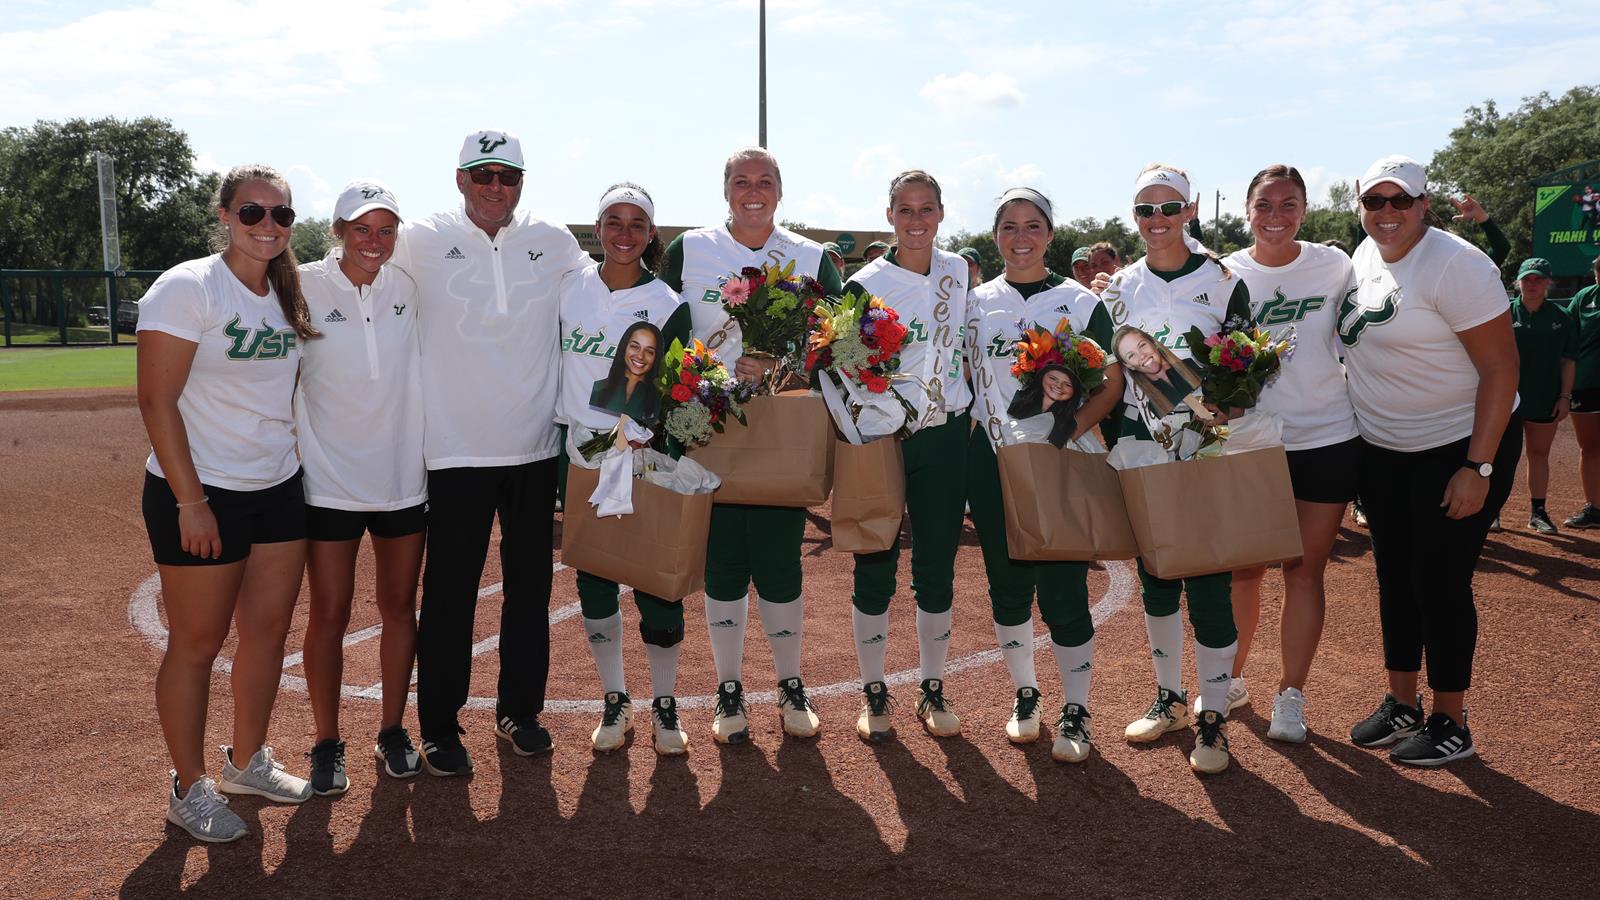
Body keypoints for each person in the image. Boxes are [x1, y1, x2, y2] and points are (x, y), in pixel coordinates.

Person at [392, 129, 593, 775]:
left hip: (535, 448)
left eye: (508, 176)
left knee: (529, 592)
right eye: (483, 175)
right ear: (460, 180)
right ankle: (440, 726)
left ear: (522, 184)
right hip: (453, 452)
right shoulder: (419, 238)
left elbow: (609, 300)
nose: (495, 187)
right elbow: (352, 263)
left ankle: (519, 712)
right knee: (450, 595)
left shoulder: (555, 241)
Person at [136, 164, 317, 842]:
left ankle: (247, 762)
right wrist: (191, 501)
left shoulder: (283, 293)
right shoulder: (188, 287)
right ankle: (189, 787)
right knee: (197, 645)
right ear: (224, 215)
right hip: (202, 491)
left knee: (267, 635)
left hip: (276, 487)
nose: (267, 225)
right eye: (252, 212)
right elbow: (156, 400)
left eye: (280, 215)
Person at [1341, 154, 1520, 767]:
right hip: (1386, 448)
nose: (1386, 213)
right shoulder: (1364, 256)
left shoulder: (1457, 264)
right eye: (1373, 201)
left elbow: (1501, 368)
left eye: (1400, 201)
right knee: (1394, 577)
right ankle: (1402, 703)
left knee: (1440, 584)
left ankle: (1452, 719)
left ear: (1424, 203)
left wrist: (1480, 467)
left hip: (1457, 445)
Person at [661, 147, 843, 744]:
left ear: (781, 191)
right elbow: (665, 338)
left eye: (765, 181)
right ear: (725, 190)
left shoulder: (812, 257)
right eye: (742, 181)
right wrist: (701, 383)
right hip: (708, 430)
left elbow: (835, 344)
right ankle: (729, 689)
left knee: (780, 559)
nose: (753, 191)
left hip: (781, 432)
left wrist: (784, 371)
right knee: (722, 564)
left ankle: (791, 685)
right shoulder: (689, 250)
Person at [1097, 163, 1252, 774]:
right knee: (1157, 577)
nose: (1157, 220)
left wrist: (1223, 405)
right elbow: (1109, 372)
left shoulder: (1223, 278)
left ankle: (1212, 716)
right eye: (1145, 210)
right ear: (1134, 217)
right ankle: (1169, 699)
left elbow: (1245, 366)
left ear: (1190, 211)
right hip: (1140, 443)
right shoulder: (1118, 288)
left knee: (1210, 583)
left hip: (1205, 447)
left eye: (1169, 208)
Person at [965, 187, 1124, 762]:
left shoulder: (1081, 302)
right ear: (996, 235)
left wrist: (1069, 429)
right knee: (1006, 586)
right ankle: (1026, 695)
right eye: (1009, 226)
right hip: (994, 456)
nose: (1021, 237)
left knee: (1063, 588)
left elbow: (1111, 382)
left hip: (1060, 454)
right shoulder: (975, 300)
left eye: (1033, 225)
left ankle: (1076, 710)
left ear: (1051, 235)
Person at [1220, 165, 1363, 744]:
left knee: (1304, 570)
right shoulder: (1225, 271)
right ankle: (1228, 679)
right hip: (1252, 439)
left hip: (1326, 431)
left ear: (1304, 209)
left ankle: (1290, 694)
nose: (1275, 216)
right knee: (1244, 569)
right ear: (1247, 210)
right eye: (1264, 205)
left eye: (1288, 204)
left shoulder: (1336, 265)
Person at [296, 180, 426, 794]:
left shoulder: (407, 286)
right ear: (338, 230)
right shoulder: (297, 283)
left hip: (402, 475)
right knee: (329, 613)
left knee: (400, 607)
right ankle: (326, 741)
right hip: (328, 479)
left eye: (386, 229)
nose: (375, 240)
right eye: (362, 228)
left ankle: (392, 728)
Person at [557, 184, 695, 754]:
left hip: (644, 458)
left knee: (658, 586)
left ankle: (665, 703)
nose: (624, 233)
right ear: (597, 228)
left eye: (637, 223)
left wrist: (650, 440)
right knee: (596, 578)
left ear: (651, 234)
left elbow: (680, 390)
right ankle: (615, 698)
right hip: (583, 456)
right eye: (613, 221)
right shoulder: (567, 290)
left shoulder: (668, 303)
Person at [842, 169, 973, 742]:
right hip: (882, 437)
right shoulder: (865, 283)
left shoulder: (959, 273)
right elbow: (838, 365)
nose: (916, 220)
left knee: (936, 564)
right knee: (874, 562)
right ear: (889, 216)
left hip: (945, 434)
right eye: (905, 210)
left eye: (926, 209)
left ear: (941, 213)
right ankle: (874, 692)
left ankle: (931, 686)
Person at [1509, 258, 1577, 534]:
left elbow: (1568, 361)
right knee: (1500, 456)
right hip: (1506, 400)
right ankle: (1492, 512)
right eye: (1527, 279)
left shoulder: (1561, 317)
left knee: (1539, 454)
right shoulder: (1503, 313)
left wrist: (1565, 396)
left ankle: (1538, 512)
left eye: (1538, 279)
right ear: (1519, 282)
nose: (1532, 284)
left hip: (1544, 397)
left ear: (1548, 282)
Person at [1563, 255, 1600, 528]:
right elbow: (1566, 337)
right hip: (1586, 383)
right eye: (1598, 269)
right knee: (1590, 447)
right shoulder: (1585, 297)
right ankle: (1596, 508)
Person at [589, 320, 664, 423]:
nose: (640, 356)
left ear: (656, 357)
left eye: (649, 351)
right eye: (634, 346)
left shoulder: (659, 402)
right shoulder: (597, 389)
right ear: (624, 347)